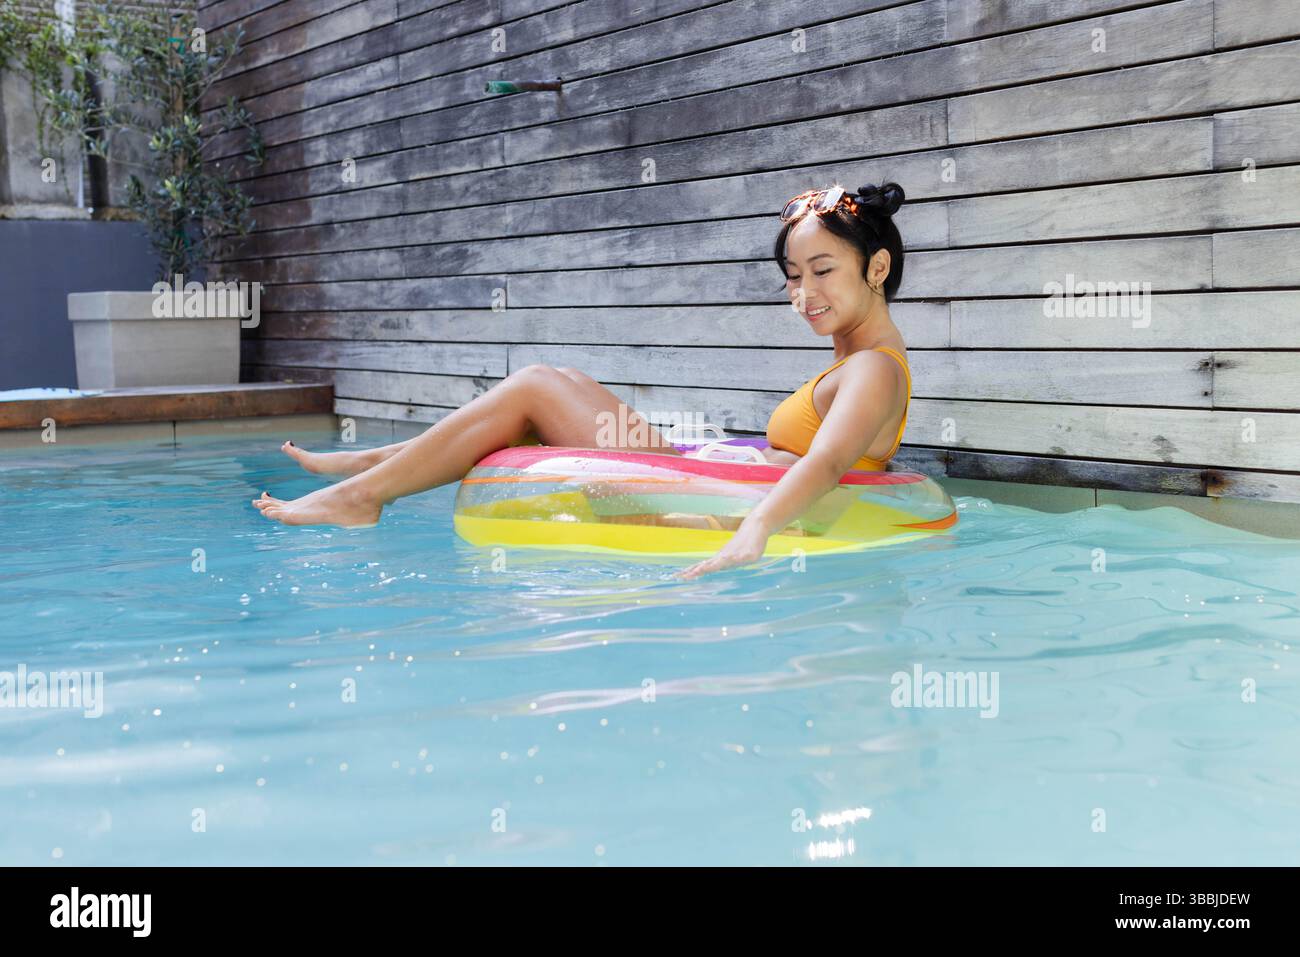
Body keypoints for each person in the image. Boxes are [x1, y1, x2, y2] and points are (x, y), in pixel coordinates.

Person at [254, 181, 911, 580]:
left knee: (539, 385)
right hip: (701, 467)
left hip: (709, 497)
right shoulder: (858, 361)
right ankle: (371, 467)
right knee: (557, 379)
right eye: (795, 277)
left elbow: (825, 463)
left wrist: (757, 528)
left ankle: (364, 490)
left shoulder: (875, 370)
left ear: (876, 267)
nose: (804, 292)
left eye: (823, 270)